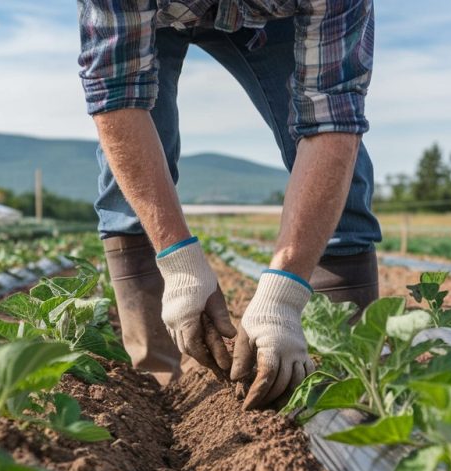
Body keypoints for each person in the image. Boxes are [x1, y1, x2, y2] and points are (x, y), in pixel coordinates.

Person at [76, 0, 381, 409]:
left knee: (345, 185)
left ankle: (349, 379)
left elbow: (332, 116)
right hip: (150, 16)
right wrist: (179, 263)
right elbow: (116, 95)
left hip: (272, 19)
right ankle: (153, 384)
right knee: (125, 189)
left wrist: (283, 295)